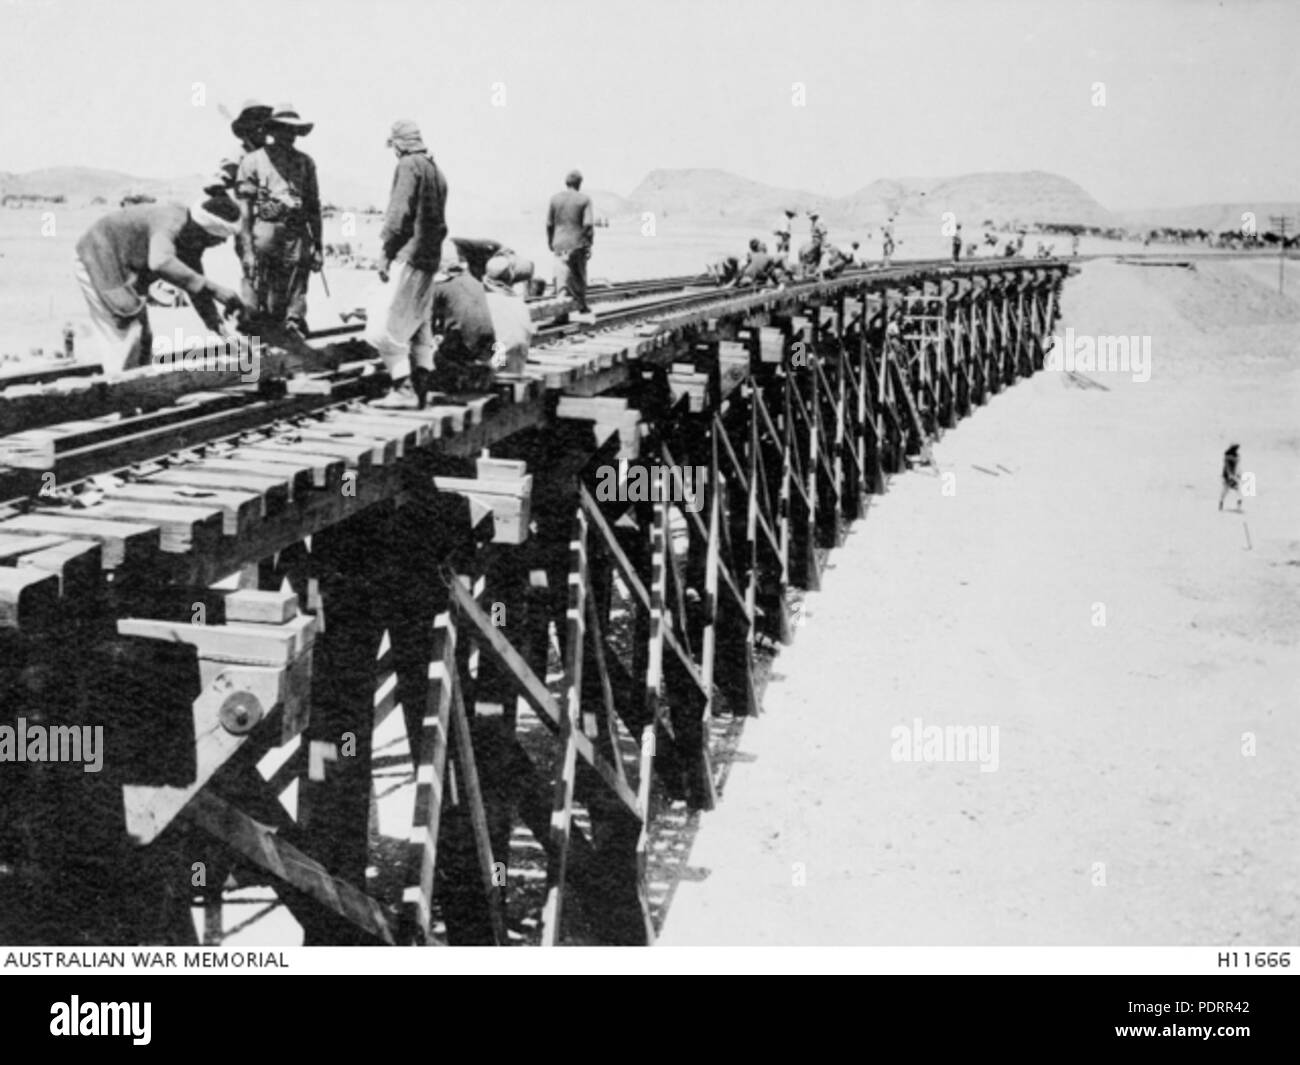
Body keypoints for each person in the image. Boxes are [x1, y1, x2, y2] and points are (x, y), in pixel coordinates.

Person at [73, 198, 244, 375]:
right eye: (220, 238)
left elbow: (194, 283)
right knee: (126, 334)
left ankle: (137, 385)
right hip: (100, 256)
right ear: (205, 231)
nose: (223, 243)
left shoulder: (191, 235)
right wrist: (217, 289)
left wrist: (217, 325)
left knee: (143, 337)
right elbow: (160, 262)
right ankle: (123, 393)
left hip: (123, 265)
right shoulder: (170, 223)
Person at [366, 119, 448, 409]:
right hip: (430, 258)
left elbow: (398, 214)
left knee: (380, 325)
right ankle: (423, 386)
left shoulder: (407, 166)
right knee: (418, 323)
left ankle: (403, 389)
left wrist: (386, 253)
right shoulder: (436, 171)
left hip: (408, 255)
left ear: (398, 144)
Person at [235, 102, 323, 334]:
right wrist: (247, 250)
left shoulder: (305, 163)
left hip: (296, 234)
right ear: (272, 130)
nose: (290, 135)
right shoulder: (252, 161)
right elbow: (245, 212)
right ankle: (255, 333)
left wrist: (318, 246)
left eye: (294, 130)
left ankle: (293, 326)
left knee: (295, 290)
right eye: (284, 129)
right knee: (258, 290)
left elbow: (314, 207)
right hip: (265, 231)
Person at [547, 169, 594, 320]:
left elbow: (549, 224)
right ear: (580, 183)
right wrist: (587, 243)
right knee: (579, 276)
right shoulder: (584, 200)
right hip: (577, 245)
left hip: (559, 244)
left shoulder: (555, 199)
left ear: (566, 183)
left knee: (561, 278)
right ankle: (582, 306)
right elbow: (588, 224)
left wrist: (550, 241)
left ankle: (561, 312)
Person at [1219, 444, 1243, 511]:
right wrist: (1233, 476)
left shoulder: (1228, 457)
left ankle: (1221, 503)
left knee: (1225, 491)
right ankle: (1238, 504)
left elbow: (1230, 468)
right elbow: (1229, 468)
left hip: (1228, 477)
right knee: (1234, 490)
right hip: (1229, 477)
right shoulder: (1232, 458)